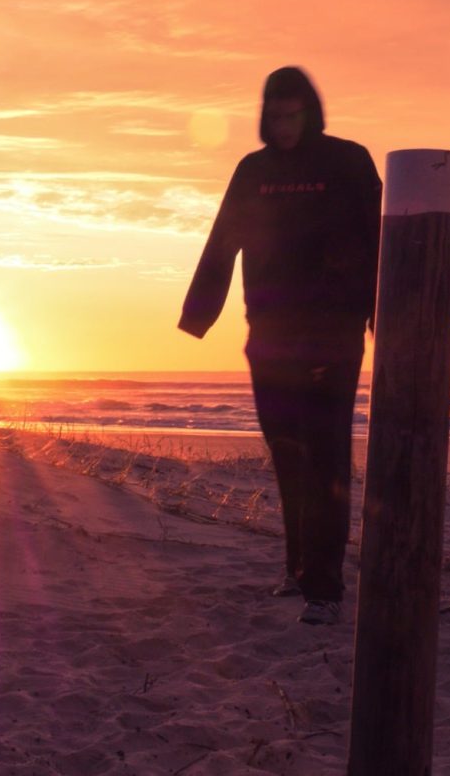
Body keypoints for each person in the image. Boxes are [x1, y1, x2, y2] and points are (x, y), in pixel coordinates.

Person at [179, 67, 381, 627]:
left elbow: (377, 242)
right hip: (267, 334)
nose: (285, 126)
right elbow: (223, 240)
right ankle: (297, 570)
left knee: (325, 458)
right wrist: (199, 315)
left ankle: (327, 587)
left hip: (330, 336)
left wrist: (379, 319)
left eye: (293, 115)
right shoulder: (254, 170)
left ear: (309, 113)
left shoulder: (347, 162)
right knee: (287, 454)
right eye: (275, 116)